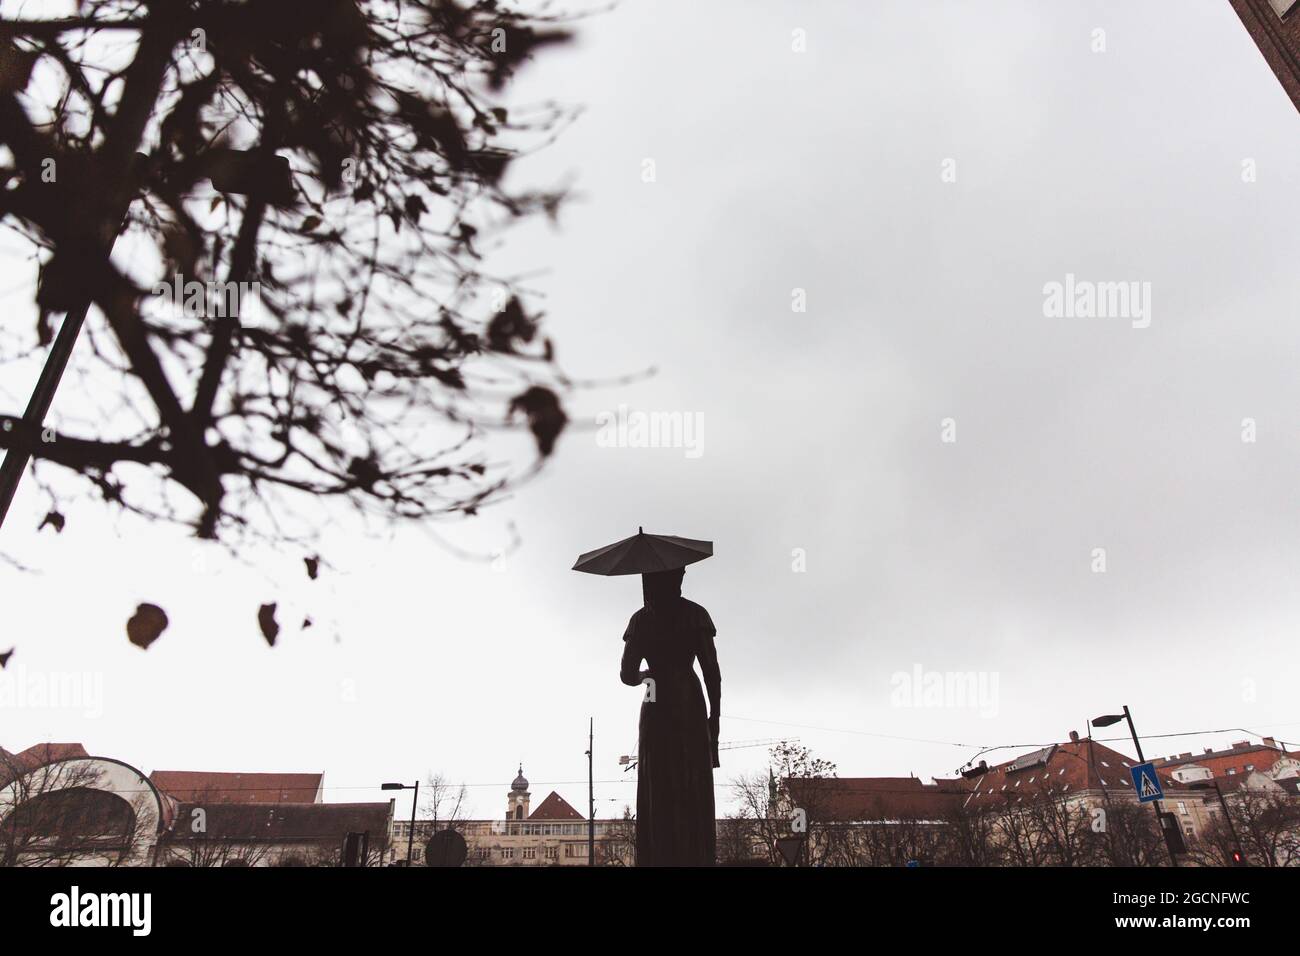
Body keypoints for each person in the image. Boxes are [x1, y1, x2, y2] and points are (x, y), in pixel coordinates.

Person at [619, 566, 721, 866]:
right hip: (689, 700)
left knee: (657, 783)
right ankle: (695, 854)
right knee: (692, 783)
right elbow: (712, 675)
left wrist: (644, 675)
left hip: (655, 698)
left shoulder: (641, 619)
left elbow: (626, 675)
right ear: (677, 579)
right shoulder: (696, 615)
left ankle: (658, 854)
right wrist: (714, 724)